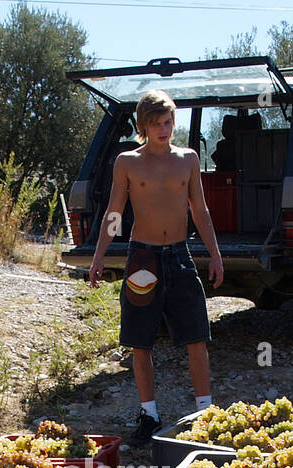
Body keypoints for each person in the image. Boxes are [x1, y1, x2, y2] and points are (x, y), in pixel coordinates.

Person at [87, 90, 223, 447]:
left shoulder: (188, 159)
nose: (164, 130)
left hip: (179, 255)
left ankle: (206, 413)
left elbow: (200, 210)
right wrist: (99, 255)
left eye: (168, 122)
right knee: (140, 340)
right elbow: (114, 213)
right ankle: (150, 414)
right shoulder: (128, 162)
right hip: (142, 258)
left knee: (196, 335)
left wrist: (216, 255)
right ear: (144, 126)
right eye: (157, 124)